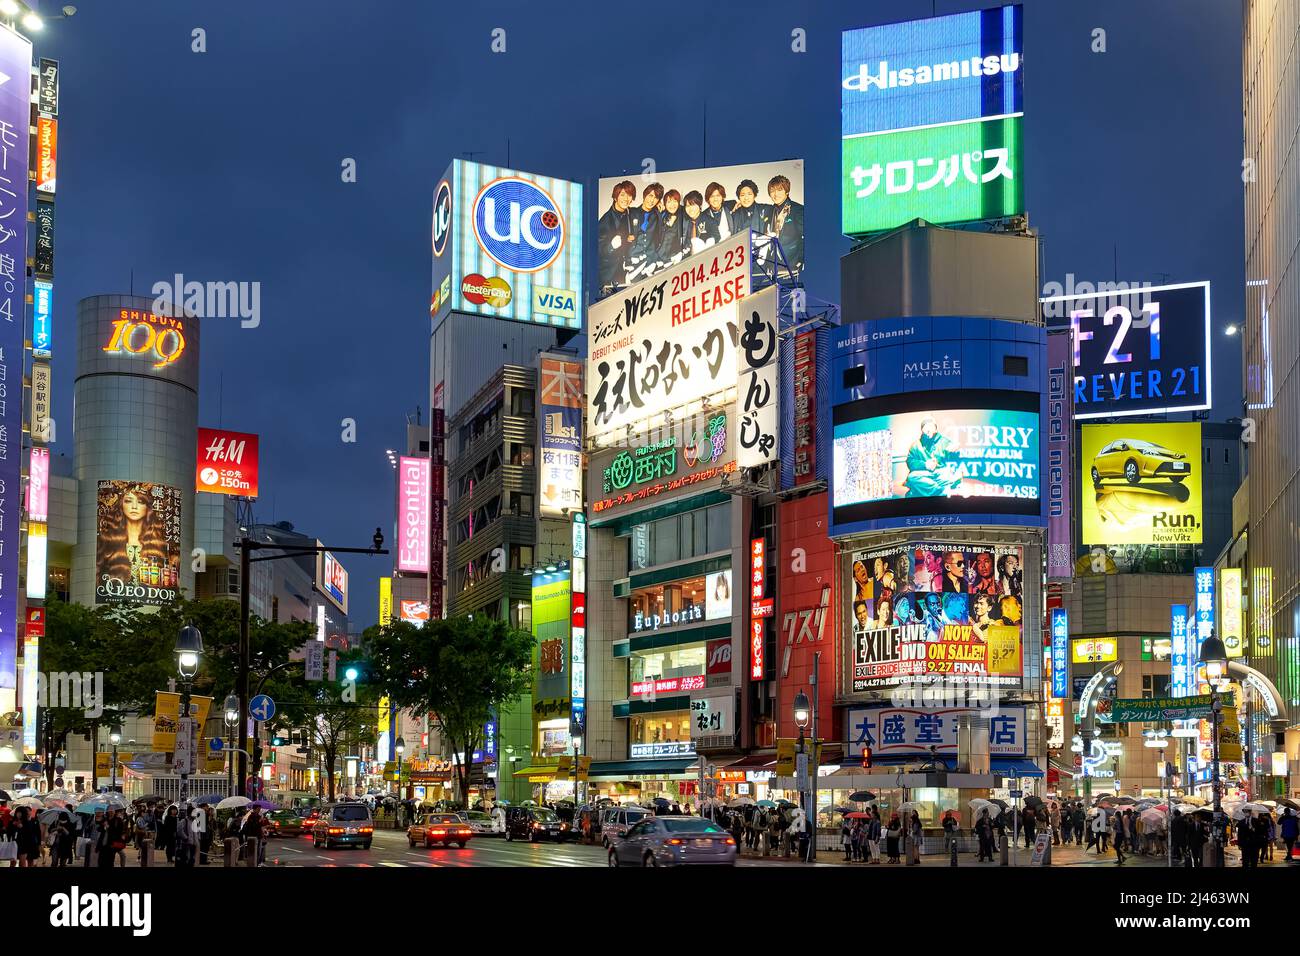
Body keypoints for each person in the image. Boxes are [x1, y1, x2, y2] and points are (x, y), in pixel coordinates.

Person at [597, 180, 638, 290]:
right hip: (608, 274)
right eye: (622, 195)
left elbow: (644, 209)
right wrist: (611, 246)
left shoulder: (630, 213)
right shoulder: (605, 221)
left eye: (629, 195)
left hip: (624, 270)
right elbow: (597, 250)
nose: (626, 199)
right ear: (615, 197)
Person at [764, 174, 803, 272]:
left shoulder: (797, 209)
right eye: (772, 191)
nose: (775, 194)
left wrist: (800, 261)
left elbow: (805, 237)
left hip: (791, 262)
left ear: (787, 191)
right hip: (773, 264)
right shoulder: (769, 211)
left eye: (779, 190)